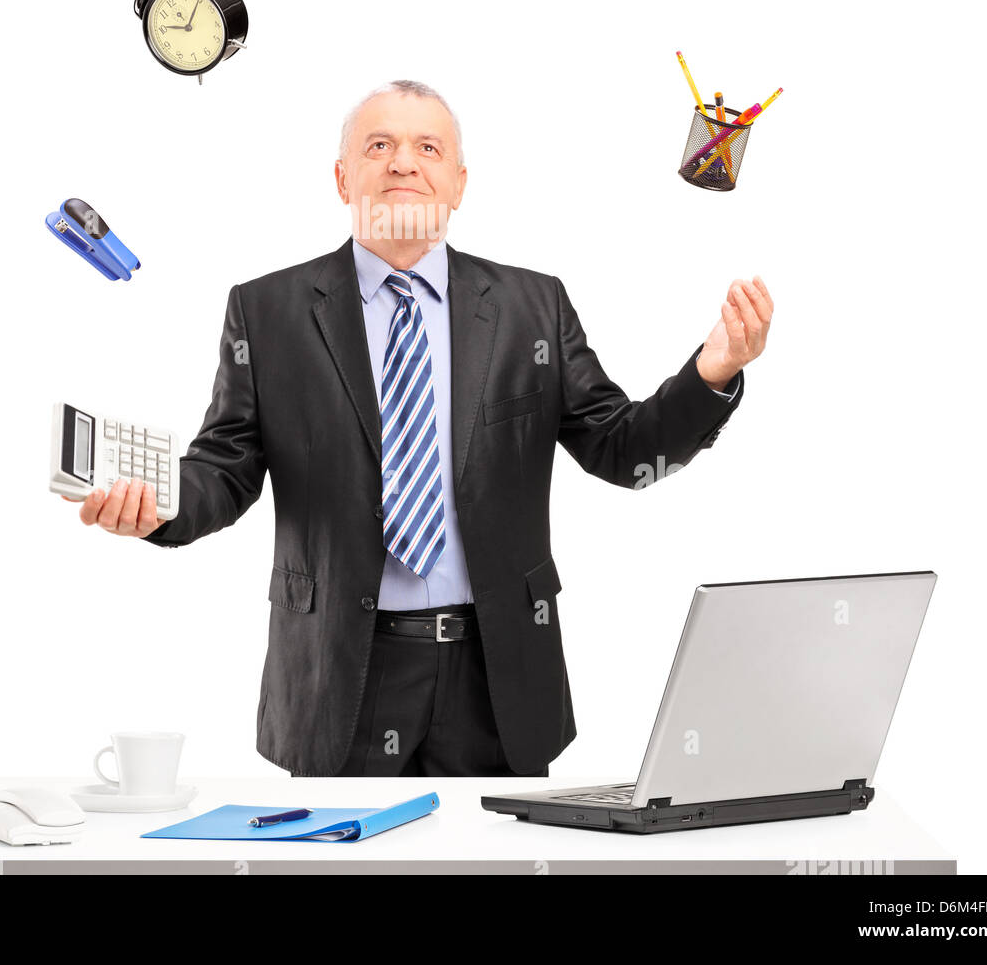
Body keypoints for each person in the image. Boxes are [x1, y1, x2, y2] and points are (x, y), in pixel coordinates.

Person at [70, 80, 773, 776]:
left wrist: (711, 374)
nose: (403, 162)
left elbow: (623, 450)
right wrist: (158, 505)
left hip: (495, 675)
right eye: (379, 145)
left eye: (427, 147)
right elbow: (223, 470)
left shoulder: (534, 306)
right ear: (344, 178)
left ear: (459, 182)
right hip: (338, 673)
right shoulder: (268, 312)